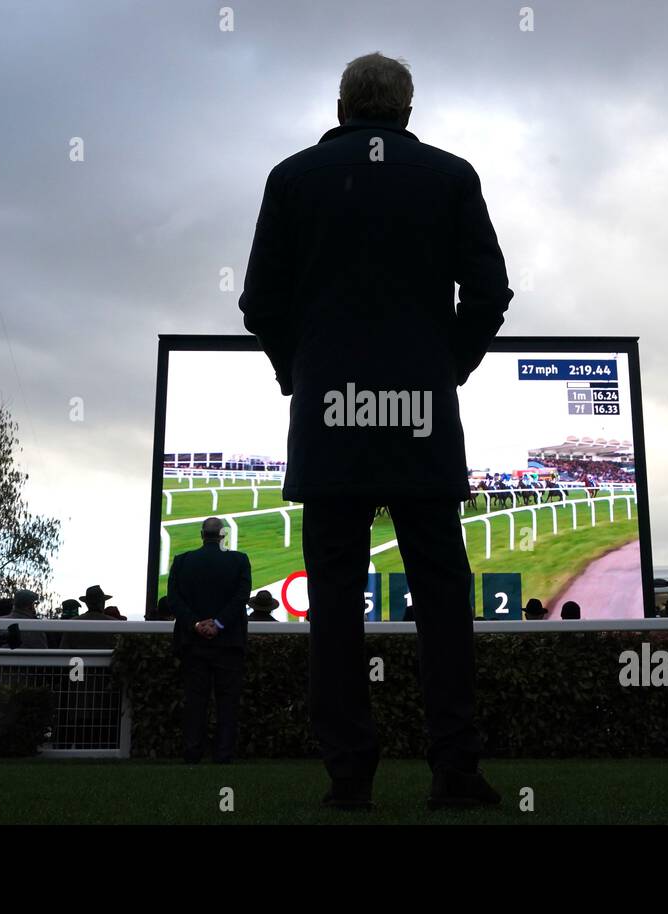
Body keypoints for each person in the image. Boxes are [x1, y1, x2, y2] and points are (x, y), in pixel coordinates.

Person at [239, 52, 512, 810]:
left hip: (331, 420)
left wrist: (303, 375)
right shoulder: (452, 176)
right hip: (421, 418)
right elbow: (489, 292)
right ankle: (455, 770)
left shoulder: (292, 178)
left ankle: (348, 776)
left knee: (333, 604)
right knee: (443, 602)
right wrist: (446, 367)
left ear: (340, 106)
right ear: (408, 111)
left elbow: (260, 301)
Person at [168, 518, 252, 764]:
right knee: (227, 703)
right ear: (223, 535)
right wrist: (219, 624)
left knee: (195, 702)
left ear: (201, 534)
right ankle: (223, 754)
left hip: (193, 643)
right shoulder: (239, 560)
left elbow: (174, 599)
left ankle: (193, 752)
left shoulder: (182, 561)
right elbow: (241, 597)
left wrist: (196, 624)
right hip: (228, 643)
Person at [59, 586, 118, 651]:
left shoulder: (72, 623)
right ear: (103, 603)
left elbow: (63, 650)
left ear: (87, 603)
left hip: (78, 660)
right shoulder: (115, 623)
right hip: (108, 661)